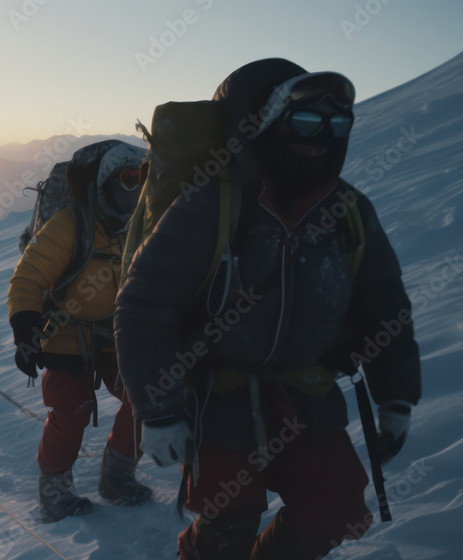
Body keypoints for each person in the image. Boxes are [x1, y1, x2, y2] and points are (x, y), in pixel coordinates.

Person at [114, 59, 421, 559]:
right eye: (304, 120)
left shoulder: (348, 210)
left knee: (334, 512)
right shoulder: (212, 203)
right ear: (268, 124)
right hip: (218, 399)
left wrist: (397, 395)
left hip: (307, 395)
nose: (320, 135)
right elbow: (145, 305)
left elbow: (385, 305)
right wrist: (158, 410)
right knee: (226, 526)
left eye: (336, 123)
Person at [7, 140, 151, 524]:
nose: (137, 187)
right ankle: (55, 493)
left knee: (146, 396)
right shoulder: (71, 223)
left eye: (143, 177)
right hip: (65, 333)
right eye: (128, 177)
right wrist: (24, 327)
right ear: (104, 182)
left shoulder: (139, 226)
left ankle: (117, 479)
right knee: (71, 410)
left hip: (118, 332)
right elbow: (28, 277)